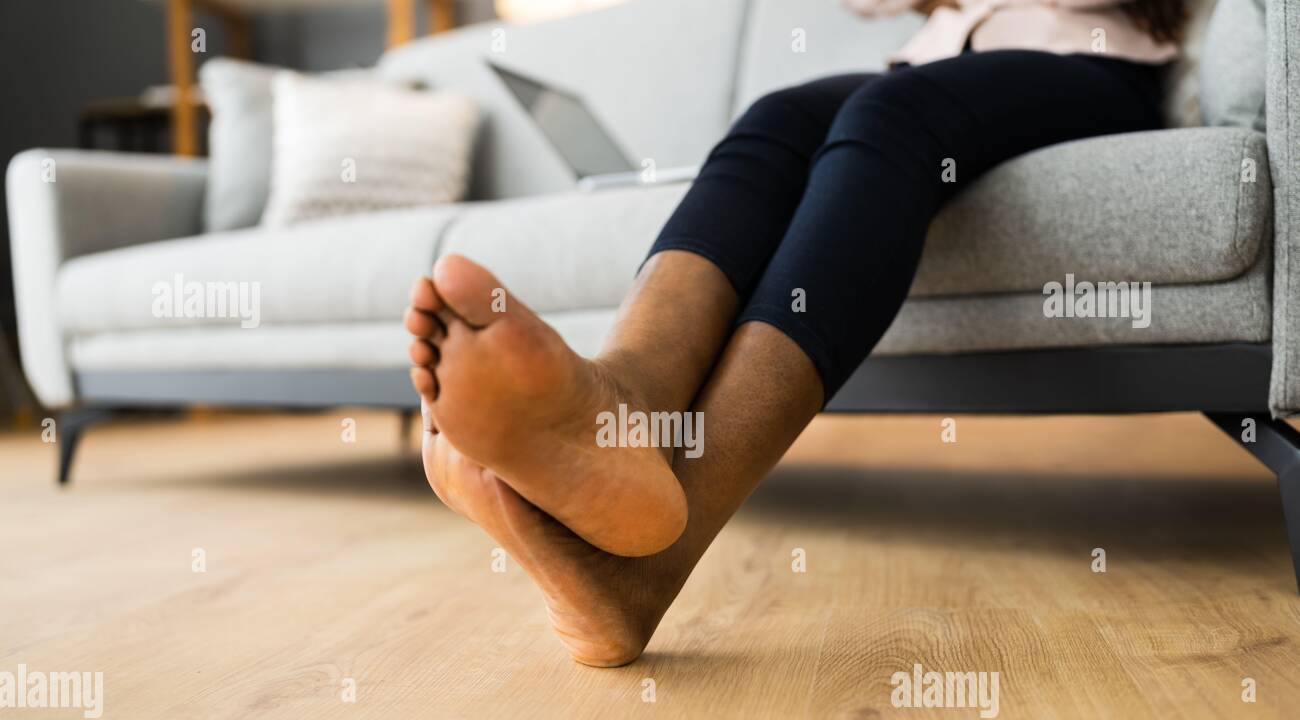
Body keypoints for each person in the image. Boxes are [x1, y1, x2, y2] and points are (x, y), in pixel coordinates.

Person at [403, 0, 1185, 666]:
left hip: (1087, 58)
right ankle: (626, 403)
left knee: (889, 116)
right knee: (774, 119)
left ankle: (651, 570)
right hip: (930, 60)